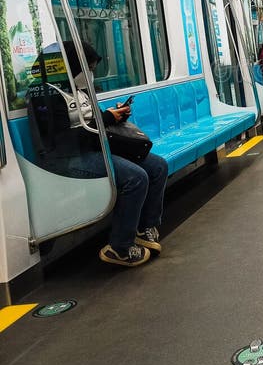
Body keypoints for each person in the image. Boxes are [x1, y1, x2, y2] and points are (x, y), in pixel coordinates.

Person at [27, 41, 168, 267]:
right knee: (135, 178)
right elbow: (64, 142)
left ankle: (144, 227)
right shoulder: (45, 95)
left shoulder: (78, 90)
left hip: (93, 148)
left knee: (158, 166)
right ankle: (120, 248)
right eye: (88, 67)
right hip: (67, 159)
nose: (90, 73)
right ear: (73, 65)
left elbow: (94, 121)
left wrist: (116, 115)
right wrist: (108, 119)